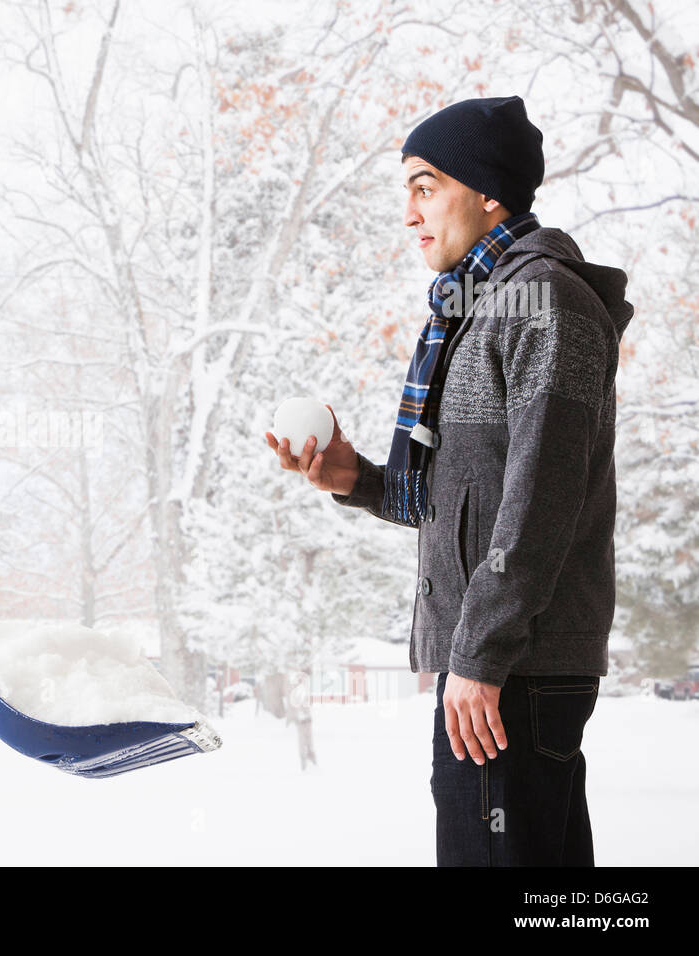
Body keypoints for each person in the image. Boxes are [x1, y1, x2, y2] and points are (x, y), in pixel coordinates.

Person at [265, 97, 633, 866]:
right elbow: (482, 501)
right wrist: (357, 479)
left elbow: (542, 503)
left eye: (424, 185)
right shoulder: (485, 307)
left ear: (488, 189)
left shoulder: (544, 304)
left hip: (511, 671)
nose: (409, 213)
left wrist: (481, 657)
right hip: (506, 666)